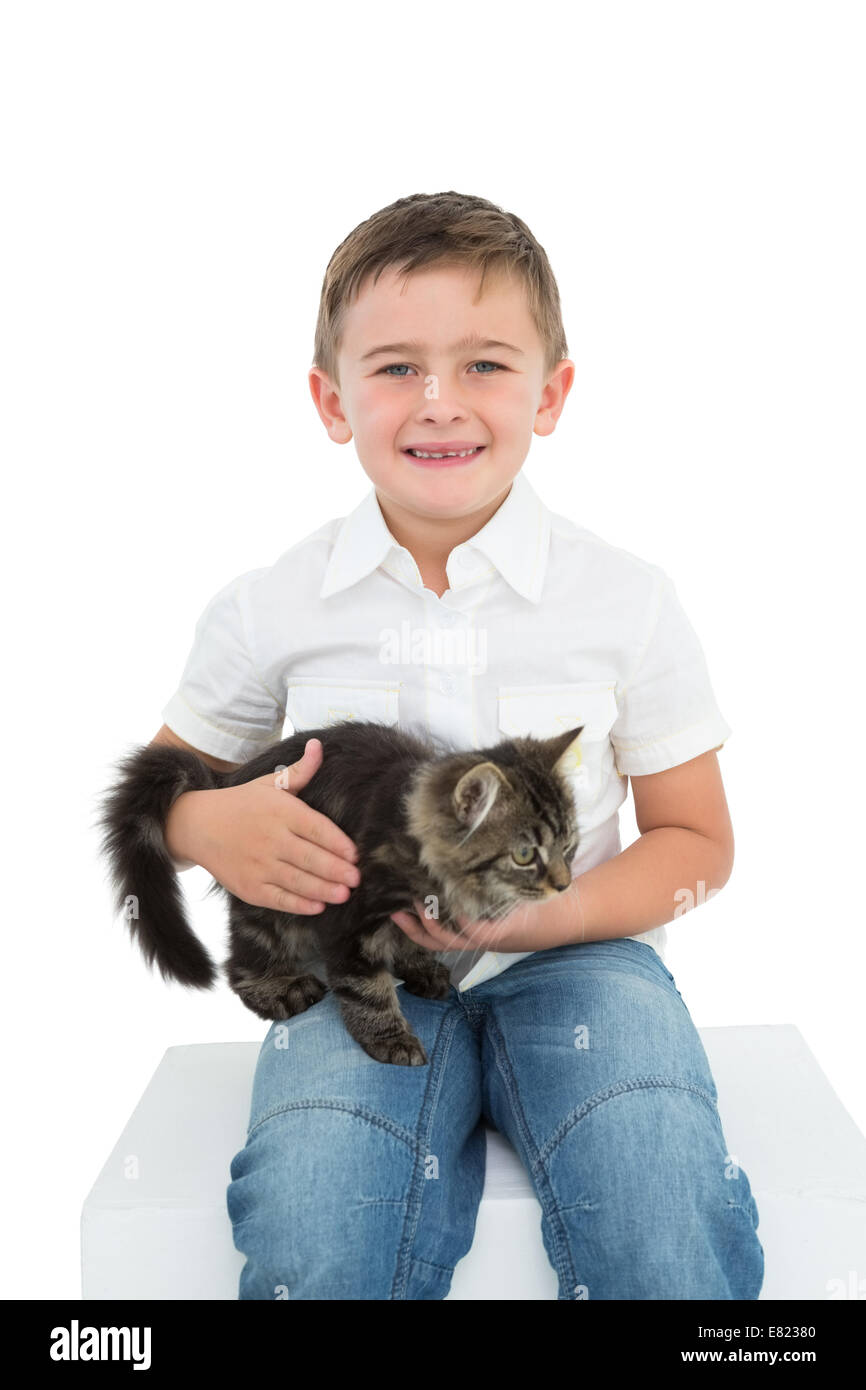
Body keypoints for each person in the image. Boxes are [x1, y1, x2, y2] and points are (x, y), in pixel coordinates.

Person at [153, 190, 764, 1300]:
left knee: (657, 1190)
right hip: (360, 970)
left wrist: (554, 914)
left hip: (582, 960)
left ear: (552, 392)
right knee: (317, 1215)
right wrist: (207, 822)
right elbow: (166, 790)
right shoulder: (267, 605)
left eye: (484, 363)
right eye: (394, 368)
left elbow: (698, 839)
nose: (439, 402)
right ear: (329, 401)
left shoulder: (625, 600)